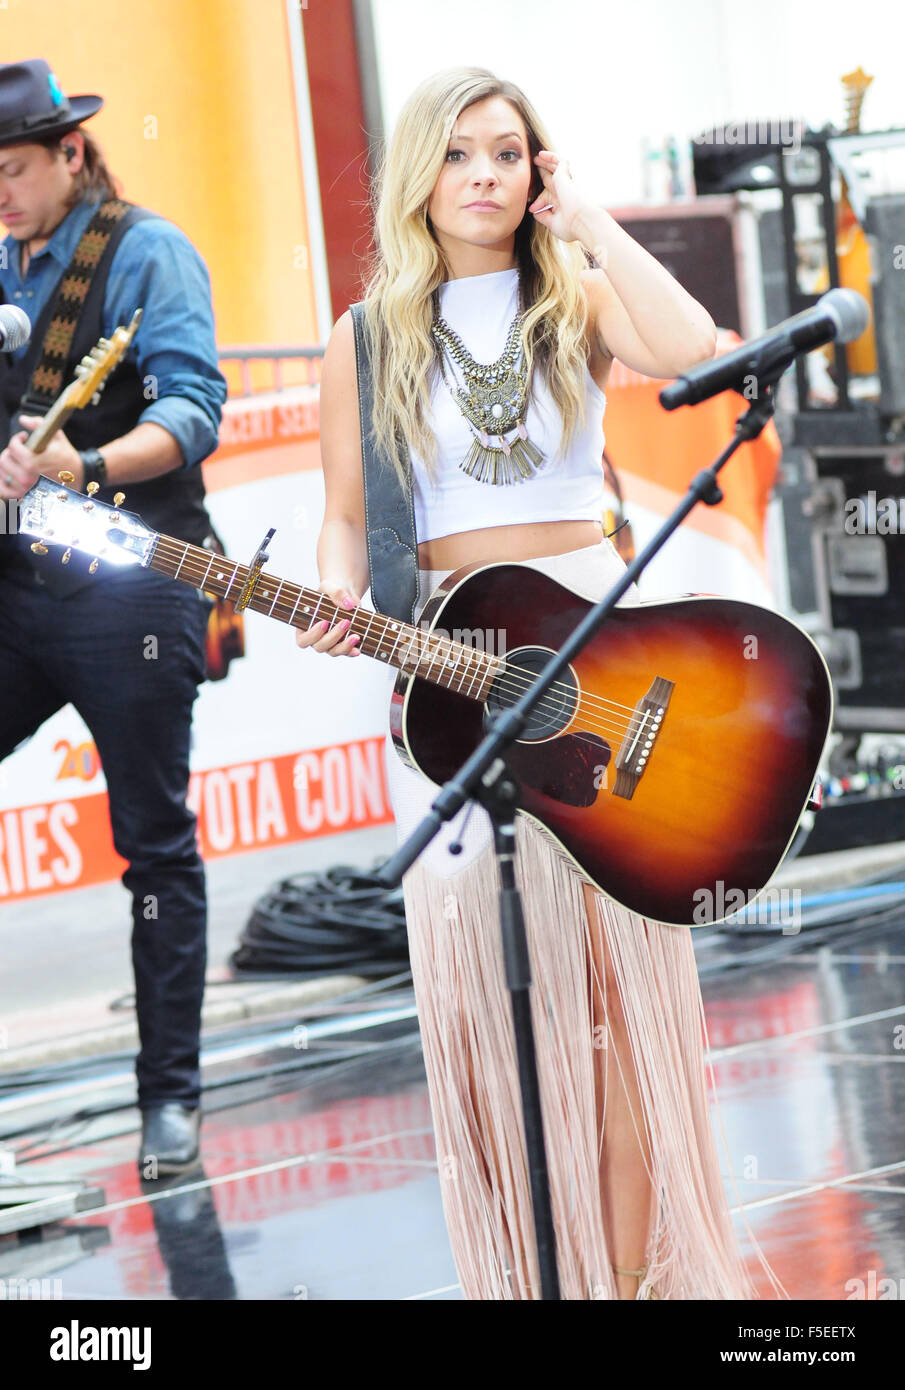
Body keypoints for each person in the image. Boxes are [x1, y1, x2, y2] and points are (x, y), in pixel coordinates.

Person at [296, 66, 786, 1300]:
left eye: (508, 155)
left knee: (620, 1020)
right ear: (420, 173)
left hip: (604, 660)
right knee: (494, 1026)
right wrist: (343, 597)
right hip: (454, 680)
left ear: (536, 171)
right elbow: (345, 523)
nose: (484, 177)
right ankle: (532, 1281)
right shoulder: (363, 339)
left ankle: (628, 1284)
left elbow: (693, 354)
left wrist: (588, 223)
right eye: (460, 155)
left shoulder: (569, 295)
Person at [0, 59, 227, 1173]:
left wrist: (80, 462)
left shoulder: (147, 251)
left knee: (152, 842)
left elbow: (191, 412)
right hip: (16, 588)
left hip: (133, 582)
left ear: (71, 155)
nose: (0, 196)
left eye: (12, 172)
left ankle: (168, 1101)